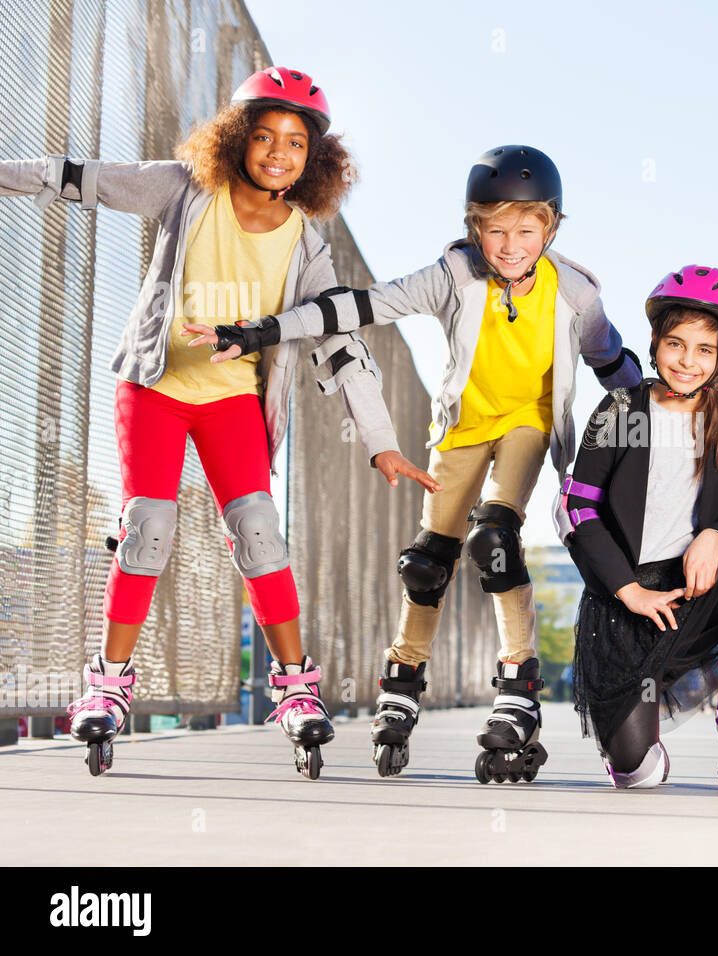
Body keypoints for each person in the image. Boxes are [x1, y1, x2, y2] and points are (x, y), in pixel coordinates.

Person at [0, 67, 430, 778]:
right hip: (157, 385)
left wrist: (381, 442)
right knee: (149, 526)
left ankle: (293, 687)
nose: (277, 152)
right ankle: (108, 681)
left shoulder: (305, 245)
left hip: (234, 397)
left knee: (258, 527)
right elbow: (75, 177)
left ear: (315, 160)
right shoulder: (184, 189)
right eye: (262, 136)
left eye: (295, 142)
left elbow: (342, 344)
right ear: (236, 140)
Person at [191, 145, 642, 781]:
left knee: (495, 542)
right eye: (494, 230)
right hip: (459, 429)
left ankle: (517, 684)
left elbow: (610, 359)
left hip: (528, 425)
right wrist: (264, 330)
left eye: (525, 230)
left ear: (551, 228)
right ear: (473, 227)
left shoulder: (574, 292)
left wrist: (649, 402)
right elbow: (363, 305)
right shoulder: (453, 274)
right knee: (428, 563)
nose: (509, 245)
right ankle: (402, 683)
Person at [562, 266, 718, 791]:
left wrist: (713, 536)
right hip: (629, 605)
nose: (688, 362)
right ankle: (646, 726)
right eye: (676, 344)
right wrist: (627, 590)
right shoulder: (622, 409)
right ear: (655, 343)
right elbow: (579, 510)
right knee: (637, 773)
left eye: (704, 350)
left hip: (702, 590)